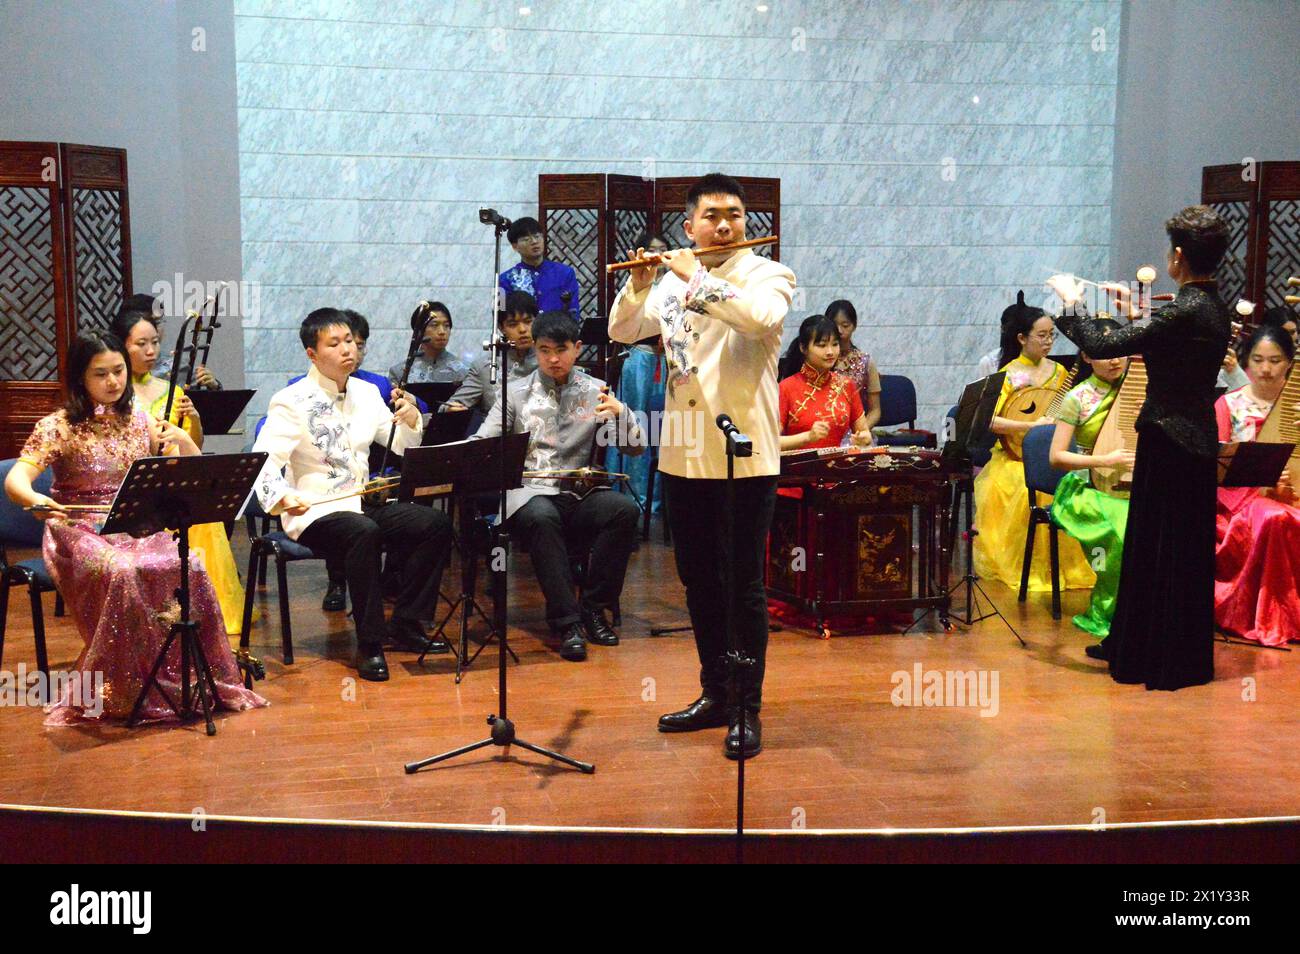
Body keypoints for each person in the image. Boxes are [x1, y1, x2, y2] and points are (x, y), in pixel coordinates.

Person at [610, 172, 796, 760]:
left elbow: (761, 320)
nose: (725, 224)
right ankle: (715, 692)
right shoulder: (668, 281)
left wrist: (698, 274)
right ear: (687, 227)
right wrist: (641, 284)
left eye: (735, 214)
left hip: (745, 454)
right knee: (698, 583)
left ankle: (747, 707)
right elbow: (623, 329)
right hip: (684, 451)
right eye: (711, 215)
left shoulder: (768, 275)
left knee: (742, 585)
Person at [4, 332, 267, 725]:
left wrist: (182, 434)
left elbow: (189, 469)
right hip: (77, 530)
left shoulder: (141, 418)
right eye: (100, 374)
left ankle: (181, 676)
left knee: (191, 565)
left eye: (118, 371)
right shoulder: (58, 426)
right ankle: (122, 686)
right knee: (124, 573)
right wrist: (35, 499)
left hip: (133, 523)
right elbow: (17, 480)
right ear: (79, 378)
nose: (113, 382)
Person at [1051, 204, 1233, 690]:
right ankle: (1152, 644)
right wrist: (1136, 313)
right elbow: (1173, 350)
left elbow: (1103, 344)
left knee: (1157, 546)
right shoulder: (1211, 305)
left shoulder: (1188, 308)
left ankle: (1152, 653)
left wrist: (1072, 303)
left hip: (1168, 439)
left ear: (1177, 257)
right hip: (1192, 437)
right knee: (1172, 549)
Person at [252, 309, 454, 682]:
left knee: (434, 524)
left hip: (360, 503)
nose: (347, 350)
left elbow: (402, 446)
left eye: (349, 341)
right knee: (362, 531)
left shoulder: (366, 392)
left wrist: (410, 419)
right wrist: (282, 498)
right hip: (313, 513)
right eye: (334, 344)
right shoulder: (290, 400)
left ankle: (407, 623)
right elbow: (262, 463)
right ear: (312, 354)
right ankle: (370, 643)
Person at [473, 311, 645, 661]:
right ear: (535, 350)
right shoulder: (515, 394)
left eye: (562, 349)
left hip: (578, 493)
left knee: (623, 510)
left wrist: (622, 414)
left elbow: (635, 447)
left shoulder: (596, 391)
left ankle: (595, 608)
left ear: (577, 348)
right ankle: (567, 623)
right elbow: (482, 443)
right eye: (544, 350)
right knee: (541, 516)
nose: (553, 358)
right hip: (529, 495)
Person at [108, 308, 250, 639]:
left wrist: (194, 420)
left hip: (172, 478)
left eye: (155, 342)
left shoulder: (168, 387)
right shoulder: (115, 392)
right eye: (140, 344)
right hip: (136, 485)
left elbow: (193, 444)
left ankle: (203, 608)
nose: (150, 351)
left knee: (199, 513)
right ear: (121, 346)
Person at [973, 294, 1096, 593]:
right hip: (1013, 459)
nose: (1048, 341)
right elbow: (989, 421)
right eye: (1041, 335)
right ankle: (1030, 567)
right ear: (1021, 338)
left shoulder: (1060, 372)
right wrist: (1030, 426)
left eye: (1051, 335)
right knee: (1017, 487)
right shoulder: (1007, 374)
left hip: (1055, 458)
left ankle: (1064, 567)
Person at [1047, 319, 1134, 651]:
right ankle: (1111, 613)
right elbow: (1056, 457)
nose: (1114, 360)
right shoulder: (1077, 398)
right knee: (1125, 531)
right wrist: (1103, 461)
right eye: (1104, 352)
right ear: (1086, 356)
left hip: (1130, 483)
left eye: (1120, 352)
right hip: (1086, 489)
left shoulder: (1139, 391)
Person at [1214, 325, 1300, 647]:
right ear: (1246, 362)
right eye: (1258, 359)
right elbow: (1216, 468)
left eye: (1275, 360)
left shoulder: (1296, 405)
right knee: (1276, 519)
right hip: (1241, 504)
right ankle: (1275, 617)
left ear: (1289, 363)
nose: (1265, 369)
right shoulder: (1228, 405)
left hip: (1292, 493)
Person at [607, 231, 670, 514]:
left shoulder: (677, 285)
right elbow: (619, 329)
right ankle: (630, 501)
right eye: (650, 251)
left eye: (663, 250)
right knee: (635, 425)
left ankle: (657, 502)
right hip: (639, 362)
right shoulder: (633, 286)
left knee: (664, 430)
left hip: (668, 363)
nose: (657, 256)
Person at [779, 315, 874, 451]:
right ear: (803, 348)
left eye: (835, 344)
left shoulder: (846, 385)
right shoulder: (786, 388)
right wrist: (807, 437)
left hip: (837, 468)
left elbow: (865, 433)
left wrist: (863, 438)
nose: (830, 352)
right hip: (797, 469)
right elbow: (770, 443)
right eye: (822, 345)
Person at [443, 291, 539, 415]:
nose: (522, 330)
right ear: (501, 328)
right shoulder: (484, 367)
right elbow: (450, 406)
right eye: (513, 324)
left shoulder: (550, 360)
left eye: (528, 321)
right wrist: (451, 409)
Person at [498, 218, 581, 319]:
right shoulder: (504, 280)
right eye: (526, 239)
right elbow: (500, 316)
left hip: (558, 333)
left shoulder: (565, 273)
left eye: (537, 236)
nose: (534, 241)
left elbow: (573, 312)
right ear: (515, 246)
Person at [825, 299, 882, 432]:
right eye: (834, 325)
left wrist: (860, 432)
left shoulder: (866, 361)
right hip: (823, 431)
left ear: (854, 326)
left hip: (857, 433)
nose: (839, 330)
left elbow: (875, 410)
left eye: (845, 325)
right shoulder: (820, 359)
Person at [387, 301, 469, 386]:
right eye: (434, 325)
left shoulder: (465, 370)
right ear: (418, 331)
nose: (442, 332)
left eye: (446, 325)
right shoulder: (400, 372)